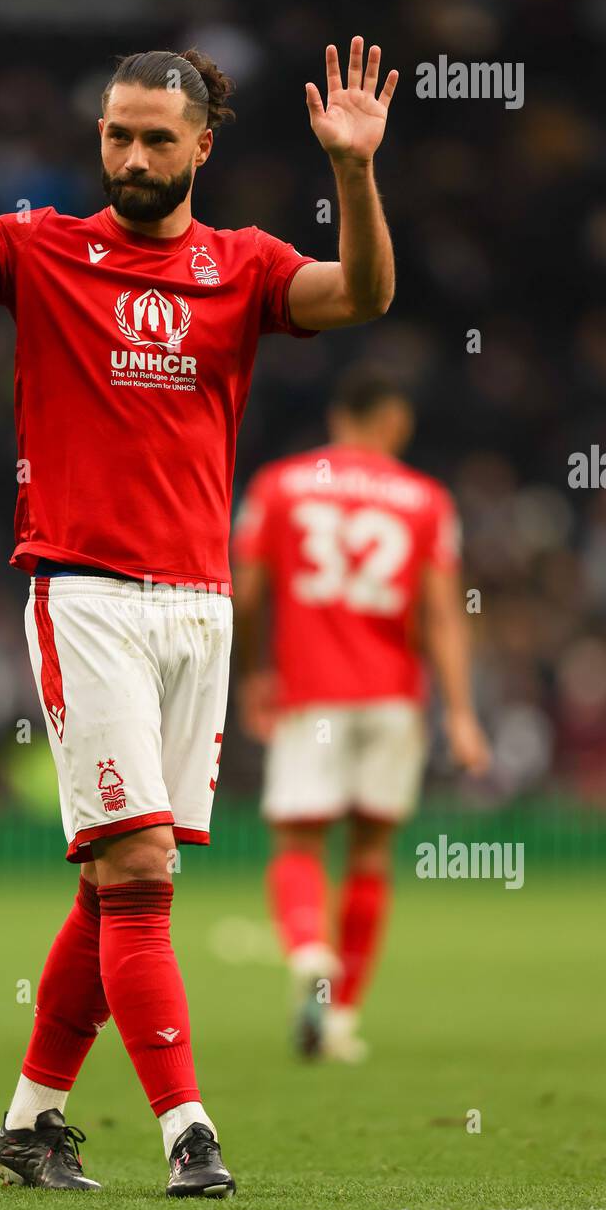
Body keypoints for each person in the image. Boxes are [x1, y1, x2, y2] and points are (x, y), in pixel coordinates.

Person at [0, 0, 398, 1195]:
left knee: (117, 887)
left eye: (157, 135)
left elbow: (362, 294)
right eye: (116, 132)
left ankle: (30, 1125)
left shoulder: (246, 267)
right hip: (86, 593)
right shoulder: (46, 251)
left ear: (202, 146)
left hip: (196, 607)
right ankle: (187, 1131)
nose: (132, 152)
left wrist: (355, 174)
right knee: (141, 874)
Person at [233, 367, 491, 1062]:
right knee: (370, 853)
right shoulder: (425, 499)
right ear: (392, 423)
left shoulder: (278, 486)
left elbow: (248, 593)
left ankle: (310, 950)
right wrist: (462, 714)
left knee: (298, 845)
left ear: (336, 418)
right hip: (390, 697)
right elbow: (442, 615)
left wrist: (255, 672)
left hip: (308, 694)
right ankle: (341, 1015)